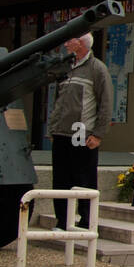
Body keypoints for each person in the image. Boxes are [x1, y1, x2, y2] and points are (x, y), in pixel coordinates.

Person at [47, 31, 112, 228]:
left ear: (81, 44)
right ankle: (62, 220)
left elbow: (106, 102)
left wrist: (98, 133)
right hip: (61, 132)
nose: (66, 44)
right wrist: (52, 129)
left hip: (82, 132)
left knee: (83, 177)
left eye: (71, 40)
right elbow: (58, 101)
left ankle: (86, 220)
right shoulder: (66, 67)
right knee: (60, 179)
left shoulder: (97, 68)